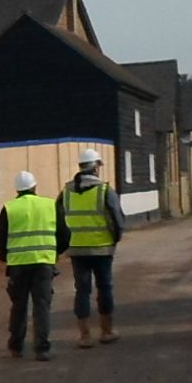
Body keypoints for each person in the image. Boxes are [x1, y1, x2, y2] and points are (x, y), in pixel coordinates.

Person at [0, 170, 72, 360]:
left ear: (17, 189)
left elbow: (0, 238)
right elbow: (65, 235)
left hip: (18, 266)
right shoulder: (50, 205)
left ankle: (16, 346)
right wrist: (54, 252)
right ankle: (42, 348)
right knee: (42, 305)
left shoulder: (10, 208)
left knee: (19, 306)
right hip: (43, 263)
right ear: (34, 186)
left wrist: (6, 257)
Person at [62, 148, 126, 348]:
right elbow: (117, 219)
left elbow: (59, 219)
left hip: (77, 249)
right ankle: (106, 331)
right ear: (96, 167)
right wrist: (115, 239)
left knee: (82, 290)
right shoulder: (105, 190)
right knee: (104, 287)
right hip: (102, 248)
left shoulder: (66, 191)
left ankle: (84, 335)